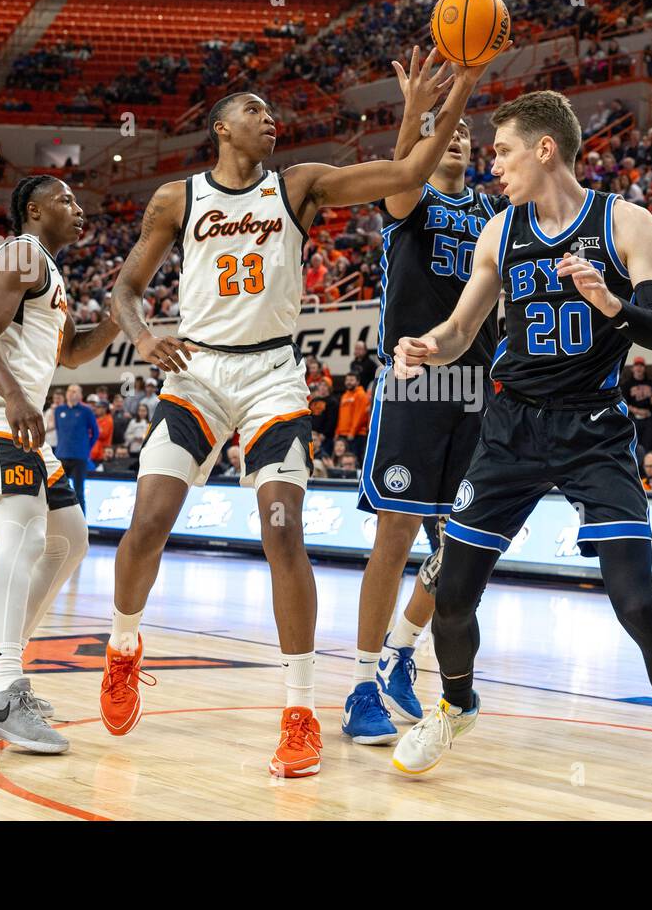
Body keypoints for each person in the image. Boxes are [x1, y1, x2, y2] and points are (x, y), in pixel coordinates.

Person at [99, 46, 502, 779]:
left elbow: (406, 175)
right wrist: (140, 334)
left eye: (274, 113)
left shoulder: (302, 186)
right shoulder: (176, 198)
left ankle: (300, 713)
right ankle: (124, 646)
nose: (270, 120)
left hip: (273, 377)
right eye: (255, 111)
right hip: (196, 372)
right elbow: (125, 290)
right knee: (149, 523)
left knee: (284, 533)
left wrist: (457, 90)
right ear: (222, 129)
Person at [391, 90, 652, 819]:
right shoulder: (500, 232)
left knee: (638, 605)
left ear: (546, 149)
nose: (495, 166)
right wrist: (429, 347)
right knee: (452, 594)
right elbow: (463, 330)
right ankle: (456, 704)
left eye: (504, 151)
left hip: (594, 432)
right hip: (510, 429)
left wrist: (610, 302)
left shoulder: (627, 223)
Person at [346, 107, 507, 745]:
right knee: (395, 537)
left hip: (474, 391)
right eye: (446, 129)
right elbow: (403, 175)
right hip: (414, 382)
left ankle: (400, 651)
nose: (459, 135)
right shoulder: (407, 197)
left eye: (467, 128)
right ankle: (360, 686)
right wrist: (417, 120)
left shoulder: (496, 218)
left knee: (458, 547)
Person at [0, 175, 117, 754]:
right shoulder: (21, 252)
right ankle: (3, 690)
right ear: (35, 209)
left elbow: (69, 351)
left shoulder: (51, 270)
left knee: (69, 535)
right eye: (68, 199)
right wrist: (17, 395)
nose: (79, 208)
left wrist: (118, 320)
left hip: (17, 413)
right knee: (23, 532)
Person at [52, 384, 98, 510]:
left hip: (79, 457)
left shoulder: (86, 411)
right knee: (58, 492)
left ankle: (82, 525)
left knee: (78, 492)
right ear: (66, 394)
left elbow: (95, 432)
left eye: (75, 391)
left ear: (80, 395)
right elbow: (58, 430)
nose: (72, 393)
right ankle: (60, 523)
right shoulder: (58, 410)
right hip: (61, 455)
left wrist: (86, 448)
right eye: (70, 391)